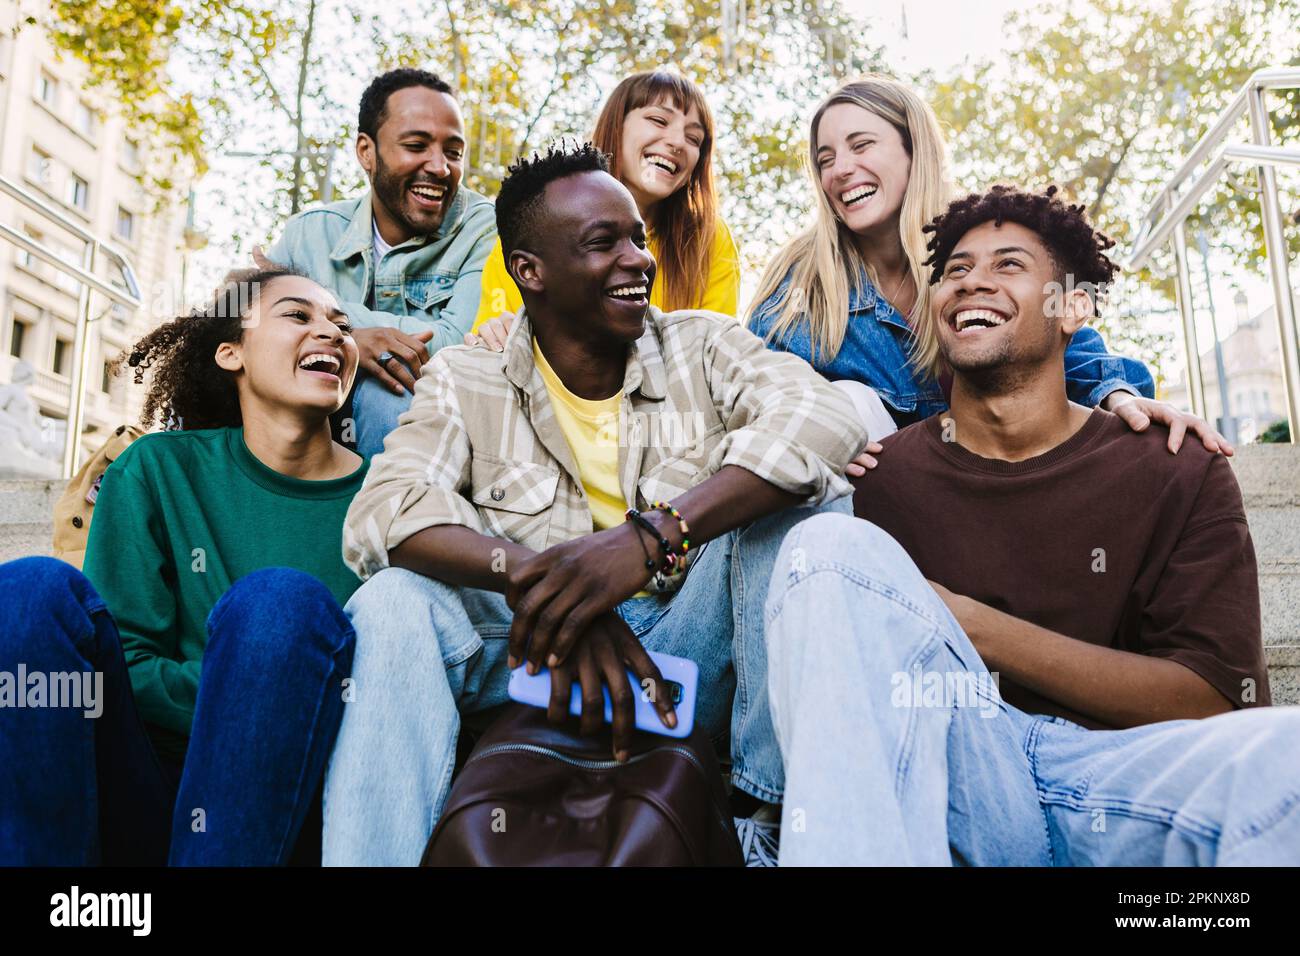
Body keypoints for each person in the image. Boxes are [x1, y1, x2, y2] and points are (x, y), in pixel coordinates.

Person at [323, 143, 865, 866]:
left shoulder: (700, 343)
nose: (638, 260)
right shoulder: (469, 374)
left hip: (683, 655)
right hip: (536, 655)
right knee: (394, 599)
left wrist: (648, 538)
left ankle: (761, 821)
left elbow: (824, 420)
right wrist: (555, 587)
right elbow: (382, 513)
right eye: (602, 242)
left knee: (802, 515)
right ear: (529, 272)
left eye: (637, 238)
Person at [763, 185, 1297, 866]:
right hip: (951, 773)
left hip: (1114, 777)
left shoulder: (1176, 468)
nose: (972, 282)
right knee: (822, 542)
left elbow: (1216, 703)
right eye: (955, 270)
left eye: (1008, 265)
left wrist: (968, 623)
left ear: (1074, 306)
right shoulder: (877, 481)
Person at [0, 268, 367, 865]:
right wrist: (261, 685)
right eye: (299, 316)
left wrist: (270, 682)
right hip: (139, 781)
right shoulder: (156, 469)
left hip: (289, 802)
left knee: (279, 603)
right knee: (29, 587)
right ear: (231, 353)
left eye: (343, 326)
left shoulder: (392, 499)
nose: (332, 333)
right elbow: (127, 666)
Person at [747, 75, 1231, 474]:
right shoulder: (801, 288)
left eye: (860, 146)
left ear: (913, 151)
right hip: (874, 501)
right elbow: (754, 401)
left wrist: (1118, 394)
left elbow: (1049, 332)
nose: (841, 170)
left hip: (991, 480)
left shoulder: (975, 240)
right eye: (826, 158)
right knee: (848, 404)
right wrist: (824, 437)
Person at [260, 68, 496, 456]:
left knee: (388, 389)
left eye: (453, 152)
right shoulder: (308, 233)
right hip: (307, 425)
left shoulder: (485, 228)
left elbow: (461, 345)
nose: (440, 167)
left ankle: (393, 516)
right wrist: (349, 341)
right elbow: (251, 329)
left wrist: (338, 331)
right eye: (417, 146)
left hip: (431, 434)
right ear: (366, 152)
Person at [467, 69, 740, 350]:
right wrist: (494, 332)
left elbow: (714, 348)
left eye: (694, 139)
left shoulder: (709, 238)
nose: (677, 143)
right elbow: (499, 332)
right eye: (659, 120)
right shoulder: (536, 224)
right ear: (616, 125)